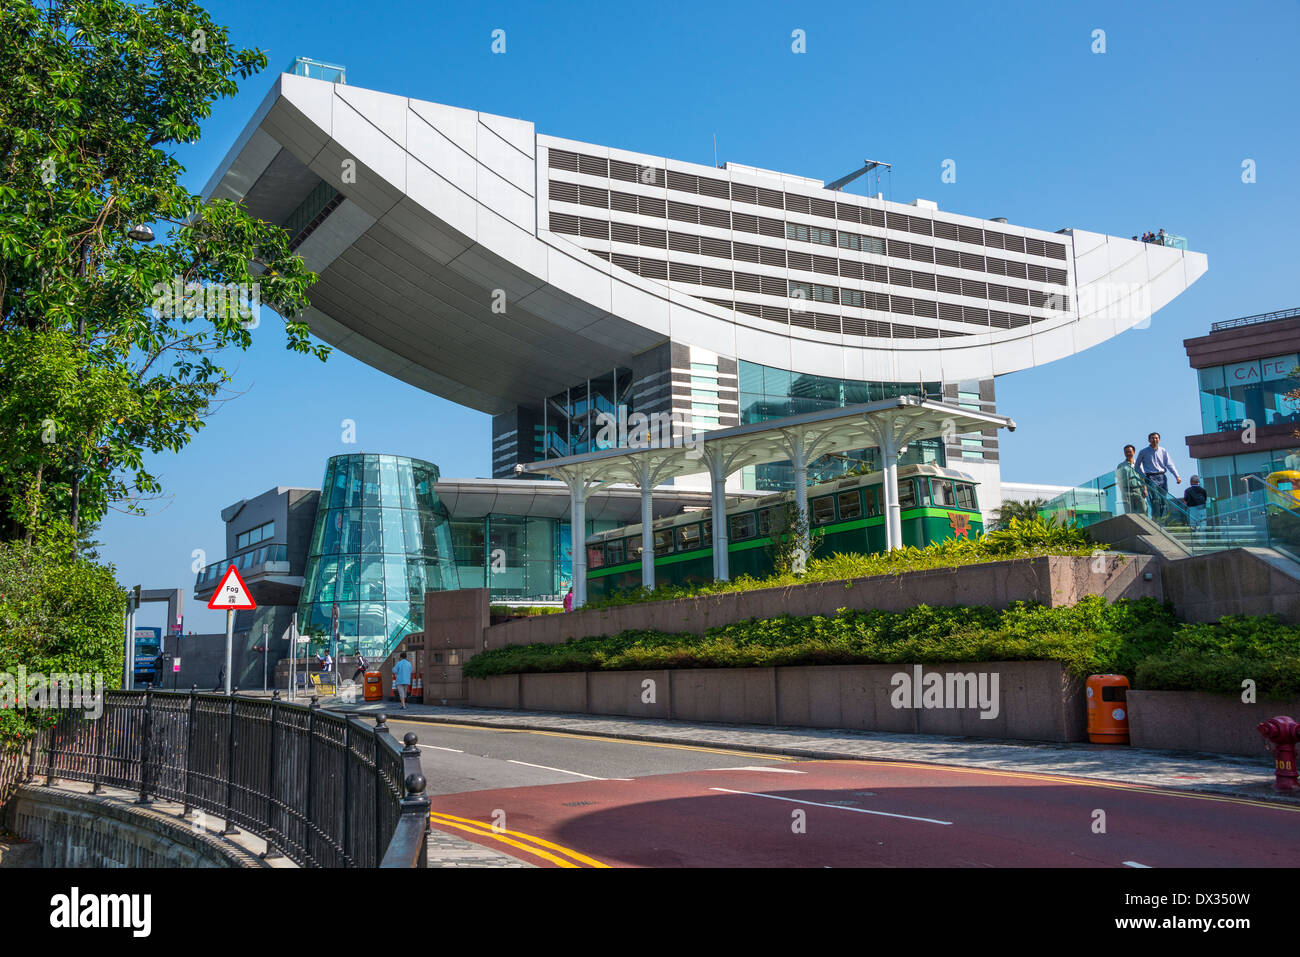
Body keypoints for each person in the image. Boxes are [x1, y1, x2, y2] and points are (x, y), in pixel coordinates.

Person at [1133, 432, 1181, 520]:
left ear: (1159, 439)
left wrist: (1177, 476)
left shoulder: (1163, 451)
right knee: (1154, 498)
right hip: (1150, 477)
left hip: (1162, 477)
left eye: (1156, 438)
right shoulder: (1143, 452)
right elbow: (1136, 467)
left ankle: (1161, 519)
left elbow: (1170, 464)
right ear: (1149, 440)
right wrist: (1144, 476)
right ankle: (1155, 518)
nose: (1154, 440)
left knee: (1163, 500)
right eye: (1152, 438)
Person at [1115, 445, 1147, 516]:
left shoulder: (1139, 464)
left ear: (1134, 452)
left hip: (1138, 490)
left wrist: (1145, 489)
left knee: (1143, 510)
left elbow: (1143, 478)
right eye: (1126, 452)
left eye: (1129, 451)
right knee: (1130, 513)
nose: (1128, 453)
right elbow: (1119, 480)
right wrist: (1122, 492)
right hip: (1127, 491)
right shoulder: (1121, 466)